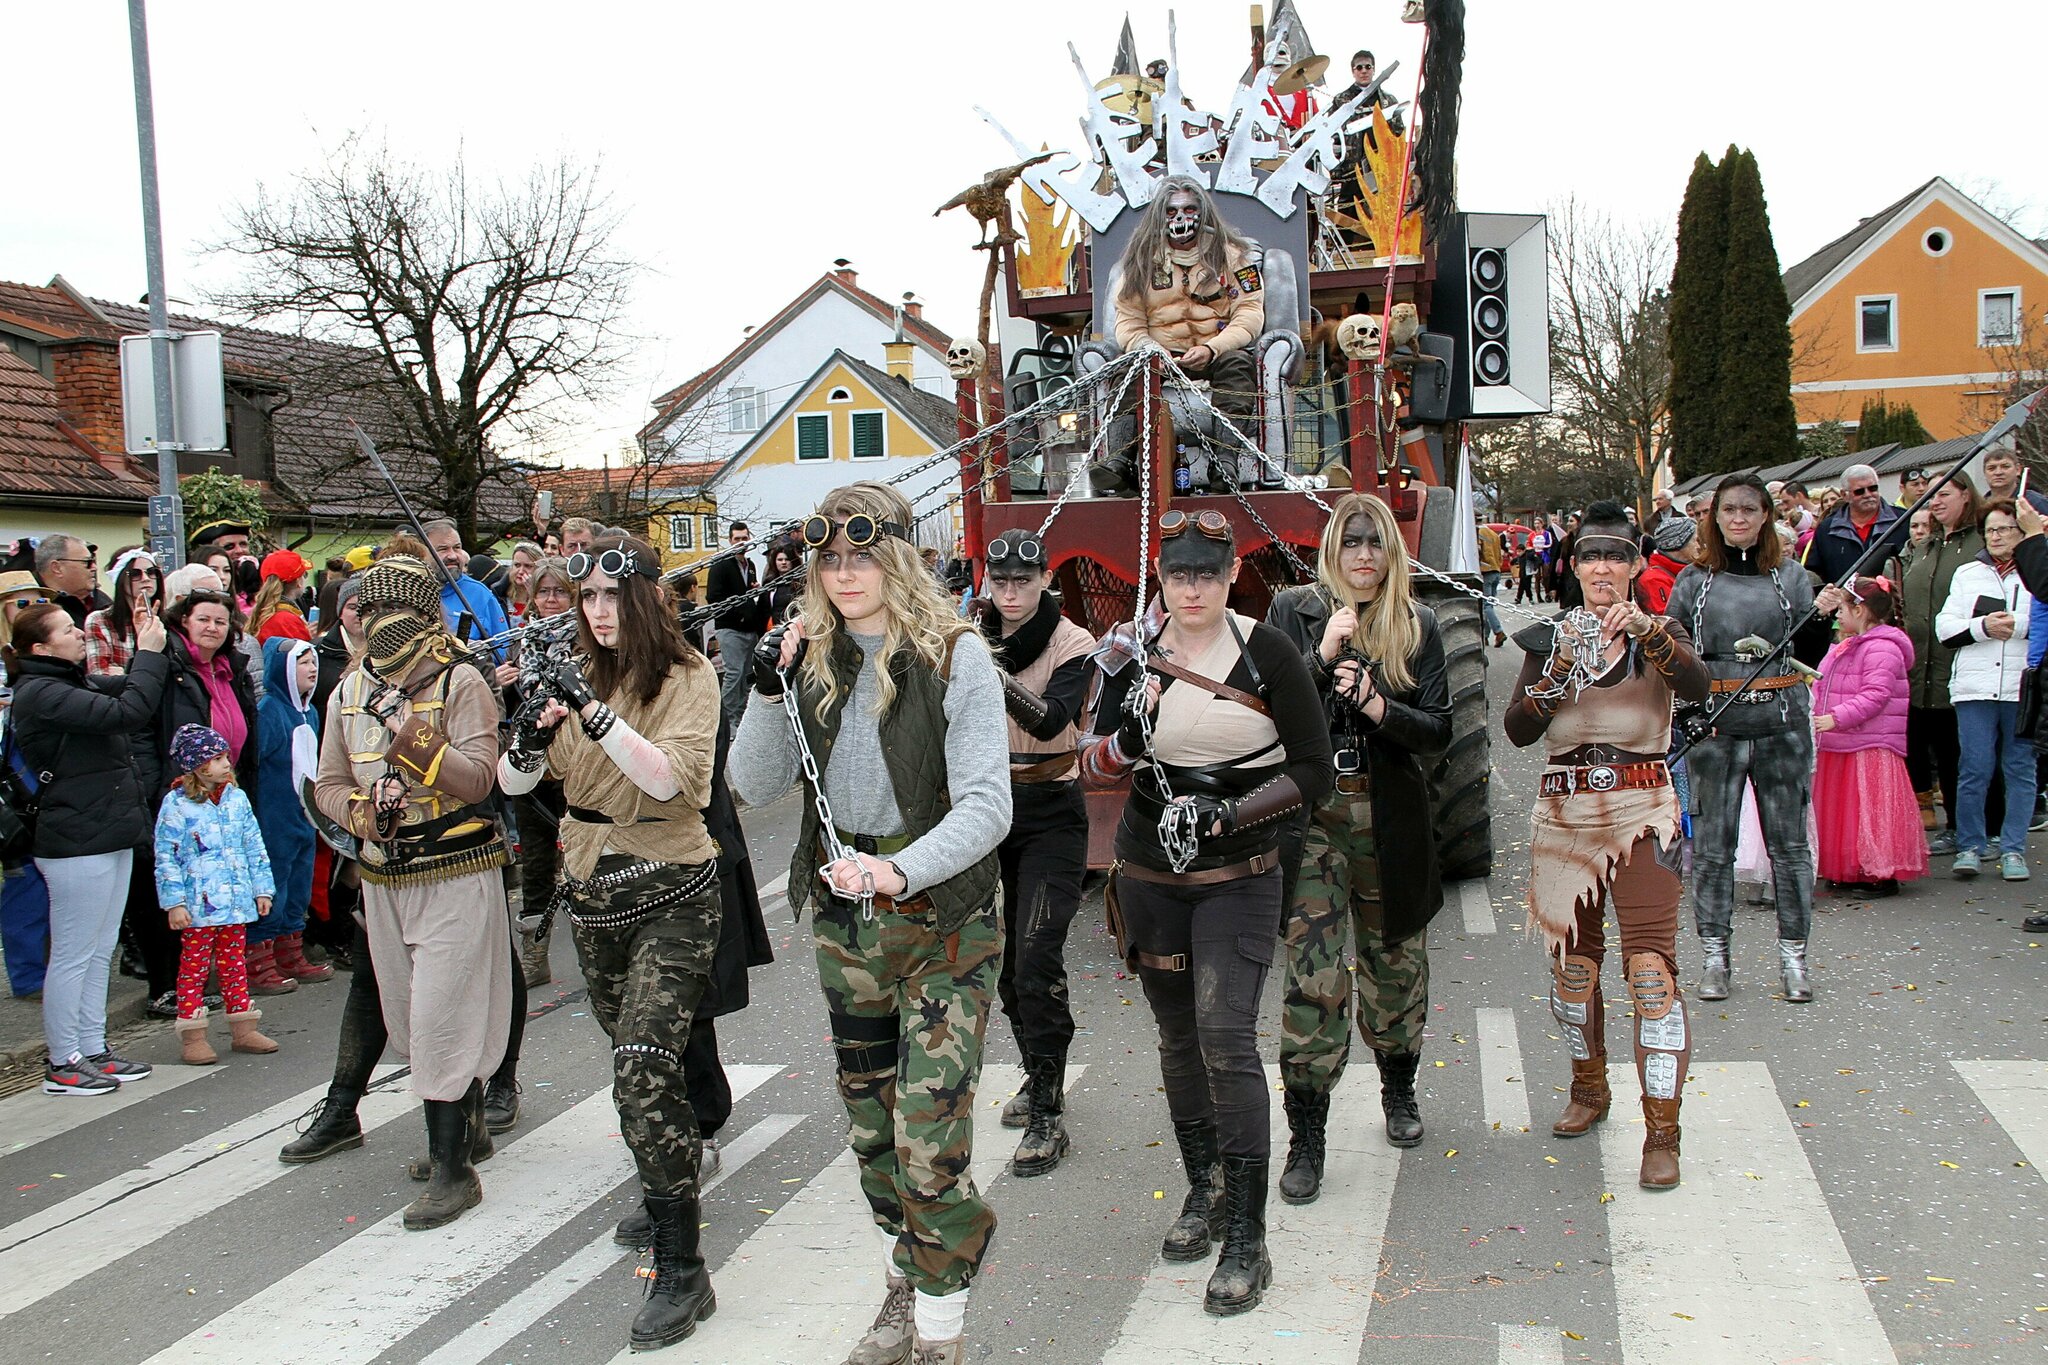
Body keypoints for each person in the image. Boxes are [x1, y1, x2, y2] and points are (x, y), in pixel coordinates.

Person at [733, 482, 1011, 1365]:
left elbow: (987, 806)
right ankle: (914, 1275)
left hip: (944, 923)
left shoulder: (953, 653)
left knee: (928, 1140)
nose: (845, 574)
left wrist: (899, 867)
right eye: (829, 559)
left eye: (862, 556)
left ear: (895, 556)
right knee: (872, 1134)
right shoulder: (812, 653)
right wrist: (770, 691)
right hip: (848, 932)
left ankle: (938, 1332)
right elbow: (753, 782)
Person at [1080, 508, 1332, 1316]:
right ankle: (1206, 1188)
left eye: (1207, 574)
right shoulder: (1131, 650)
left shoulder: (1268, 651)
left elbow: (1314, 768)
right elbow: (1087, 761)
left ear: (1230, 578)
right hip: (1152, 871)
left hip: (1240, 867)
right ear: (1163, 579)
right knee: (1179, 1038)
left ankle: (1247, 1240)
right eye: (1178, 574)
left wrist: (1231, 813)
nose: (1192, 587)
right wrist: (1128, 733)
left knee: (1226, 1039)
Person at [498, 534, 725, 1351]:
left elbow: (670, 777)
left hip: (673, 883)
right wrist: (528, 730)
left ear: (646, 597)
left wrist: (593, 715)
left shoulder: (689, 675)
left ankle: (683, 1266)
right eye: (584, 597)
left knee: (641, 1062)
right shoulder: (571, 665)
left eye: (609, 597)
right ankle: (671, 1164)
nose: (595, 612)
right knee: (637, 1067)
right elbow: (516, 784)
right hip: (590, 888)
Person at [1504, 500, 1710, 1189]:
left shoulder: (1662, 629)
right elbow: (1518, 730)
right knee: (1574, 973)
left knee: (1651, 972)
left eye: (1616, 555)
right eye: (1591, 554)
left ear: (1634, 565)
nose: (1602, 566)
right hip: (1564, 811)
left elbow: (1696, 684)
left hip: (1642, 804)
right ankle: (1589, 1087)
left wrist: (1651, 635)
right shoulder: (1546, 637)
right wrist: (1556, 669)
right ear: (1573, 564)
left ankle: (1663, 1131)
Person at [313, 554, 513, 1231]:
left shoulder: (462, 681)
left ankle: (453, 1170)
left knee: (440, 1017)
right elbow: (329, 782)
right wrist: (363, 816)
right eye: (368, 615)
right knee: (406, 1015)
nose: (377, 629)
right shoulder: (345, 692)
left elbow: (480, 778)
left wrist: (410, 735)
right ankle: (468, 1127)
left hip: (454, 866)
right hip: (383, 875)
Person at [1265, 493, 1448, 1198]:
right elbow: (1267, 714)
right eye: (1352, 542)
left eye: (1376, 543)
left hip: (1389, 811)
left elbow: (1440, 731)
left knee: (1395, 961)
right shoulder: (1295, 612)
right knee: (1312, 975)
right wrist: (1319, 657)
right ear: (1333, 550)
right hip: (1315, 816)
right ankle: (1307, 1132)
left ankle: (1398, 1088)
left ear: (1391, 553)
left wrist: (1380, 709)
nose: (1364, 555)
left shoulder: (1419, 624)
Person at [1665, 474, 1818, 1004]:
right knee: (1711, 849)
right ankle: (1714, 956)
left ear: (1766, 516)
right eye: (1728, 509)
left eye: (1749, 510)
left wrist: (1823, 613)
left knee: (1790, 847)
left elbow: (1812, 653)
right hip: (1716, 726)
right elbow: (1676, 658)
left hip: (1782, 727)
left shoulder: (1794, 579)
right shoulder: (1692, 582)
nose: (1737, 518)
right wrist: (1685, 714)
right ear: (1714, 517)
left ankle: (1794, 958)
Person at [8, 601, 171, 1094]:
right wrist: (147, 653)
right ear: (40, 647)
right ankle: (62, 1061)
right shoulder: (39, 692)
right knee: (74, 954)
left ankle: (92, 1048)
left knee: (98, 950)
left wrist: (154, 649)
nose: (80, 634)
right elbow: (129, 710)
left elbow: (136, 691)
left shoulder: (68, 683)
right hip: (74, 840)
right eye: (67, 630)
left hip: (106, 831)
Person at [975, 530, 1095, 1177]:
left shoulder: (1072, 642)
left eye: (1024, 580)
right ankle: (1035, 1070)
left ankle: (1049, 1109)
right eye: (1002, 580)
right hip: (988, 809)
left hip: (1052, 808)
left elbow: (1054, 719)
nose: (1013, 591)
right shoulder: (970, 630)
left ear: (1045, 579)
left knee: (1037, 956)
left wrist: (986, 673)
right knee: (1004, 965)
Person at [1098, 175, 1265, 494]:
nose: (1181, 219)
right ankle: (1118, 463)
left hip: (1214, 353)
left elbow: (1251, 312)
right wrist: (1150, 350)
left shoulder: (1237, 258)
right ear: (1160, 216)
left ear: (1203, 213)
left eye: (1189, 210)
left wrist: (1214, 348)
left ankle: (1225, 462)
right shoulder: (1138, 264)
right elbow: (1128, 322)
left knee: (1238, 365)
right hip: (1158, 358)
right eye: (1172, 212)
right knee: (1126, 372)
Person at [156, 590, 269, 997]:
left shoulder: (229, 667)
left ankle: (239, 1010)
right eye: (204, 619)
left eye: (221, 622)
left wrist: (261, 888)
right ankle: (189, 1007)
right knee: (195, 947)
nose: (213, 628)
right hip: (189, 790)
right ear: (184, 621)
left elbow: (253, 847)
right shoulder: (173, 667)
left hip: (229, 785)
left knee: (232, 944)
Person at [153, 723, 280, 1064]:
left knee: (234, 963)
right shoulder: (176, 805)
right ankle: (193, 1033)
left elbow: (254, 845)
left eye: (226, 757)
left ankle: (243, 1026)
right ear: (197, 765)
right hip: (197, 906)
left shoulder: (236, 800)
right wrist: (175, 903)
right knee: (194, 968)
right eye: (218, 758)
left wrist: (261, 889)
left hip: (236, 903)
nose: (227, 764)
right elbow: (167, 856)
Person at [1935, 500, 2035, 880]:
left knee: (2020, 769)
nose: (1996, 537)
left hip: (2021, 686)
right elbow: (1945, 627)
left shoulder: (2036, 571)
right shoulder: (1967, 573)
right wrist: (1982, 627)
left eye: (2005, 529)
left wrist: (2018, 624)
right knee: (1974, 768)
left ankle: (2012, 849)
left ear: (2022, 532)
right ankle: (1971, 846)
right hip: (1974, 687)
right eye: (1990, 530)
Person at [1808, 576, 1926, 897]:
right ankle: (1848, 868)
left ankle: (1876, 872)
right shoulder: (1848, 643)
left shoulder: (1883, 647)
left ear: (1860, 610)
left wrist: (1835, 718)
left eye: (1842, 608)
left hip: (1869, 741)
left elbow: (1877, 695)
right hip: (1839, 739)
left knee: (1868, 812)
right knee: (1847, 812)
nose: (1837, 615)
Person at [1900, 474, 1985, 856]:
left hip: (1963, 666)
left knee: (1959, 754)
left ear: (1966, 496)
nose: (1934, 501)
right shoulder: (1924, 546)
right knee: (1923, 744)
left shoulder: (1980, 545)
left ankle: (1975, 828)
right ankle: (1941, 821)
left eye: (1944, 494)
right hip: (1920, 669)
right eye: (1930, 495)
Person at [246, 637, 329, 984]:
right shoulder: (269, 712)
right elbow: (254, 764)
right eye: (303, 663)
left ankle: (289, 950)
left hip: (303, 817)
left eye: (313, 662)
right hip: (274, 817)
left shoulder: (310, 712)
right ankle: (258, 956)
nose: (312, 669)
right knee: (274, 885)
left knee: (299, 885)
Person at [511, 557, 575, 988]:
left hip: (577, 758)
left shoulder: (589, 634)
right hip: (533, 758)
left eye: (560, 591)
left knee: (583, 853)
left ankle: (597, 941)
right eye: (544, 592)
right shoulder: (524, 639)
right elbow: (521, 691)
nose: (552, 600)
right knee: (536, 860)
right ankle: (535, 953)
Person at [1797, 465, 1908, 665]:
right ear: (1845, 495)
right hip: (1844, 623)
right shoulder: (1827, 529)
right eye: (1860, 491)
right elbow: (1815, 574)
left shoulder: (1902, 521)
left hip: (1890, 620)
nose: (1868, 495)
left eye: (1873, 488)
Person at [707, 522, 769, 737]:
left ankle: (740, 717)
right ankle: (727, 720)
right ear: (730, 541)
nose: (741, 543)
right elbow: (713, 597)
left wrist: (752, 592)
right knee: (733, 673)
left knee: (745, 674)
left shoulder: (749, 565)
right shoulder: (721, 565)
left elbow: (746, 593)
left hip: (748, 628)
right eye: (737, 539)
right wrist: (740, 612)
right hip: (730, 627)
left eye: (744, 539)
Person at [420, 518, 512, 660]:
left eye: (457, 547)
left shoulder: (480, 594)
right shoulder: (410, 593)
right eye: (442, 549)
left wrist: (494, 676)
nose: (452, 556)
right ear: (422, 553)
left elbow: (504, 651)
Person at [34, 535, 107, 628]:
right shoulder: (32, 604)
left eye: (93, 561)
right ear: (57, 568)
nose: (94, 568)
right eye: (86, 562)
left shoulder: (103, 601)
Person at [250, 549, 315, 643]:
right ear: (298, 582)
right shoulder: (286, 620)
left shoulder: (265, 611)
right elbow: (303, 654)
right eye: (303, 575)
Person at [1637, 516, 1696, 614]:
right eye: (1696, 540)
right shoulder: (1654, 580)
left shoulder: (1688, 572)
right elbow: (1669, 621)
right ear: (1678, 544)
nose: (1702, 545)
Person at [1980, 449, 2048, 515]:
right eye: (1991, 468)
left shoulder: (2035, 502)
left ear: (2018, 469)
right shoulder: (1979, 505)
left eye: (2005, 467)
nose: (1998, 472)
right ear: (1984, 473)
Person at [1476, 519, 1507, 647]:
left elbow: (1477, 552)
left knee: (1486, 606)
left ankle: (1498, 632)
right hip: (1496, 571)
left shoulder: (1478, 532)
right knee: (1489, 606)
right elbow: (1499, 555)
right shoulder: (1493, 534)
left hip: (1486, 572)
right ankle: (1485, 636)